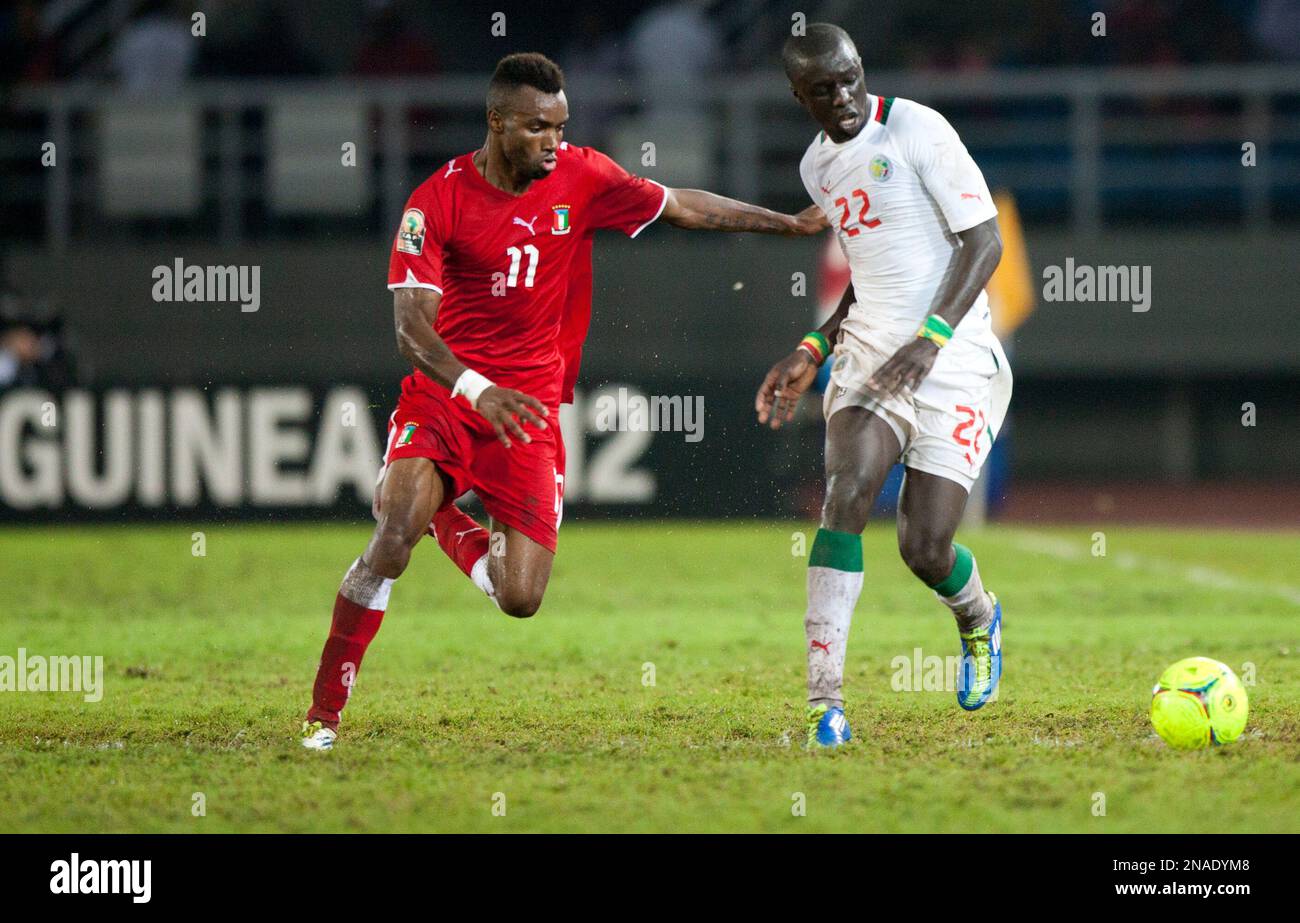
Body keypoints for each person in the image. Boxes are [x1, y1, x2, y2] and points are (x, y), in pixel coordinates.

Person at [302, 52, 825, 750]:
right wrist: (476, 388)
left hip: (528, 410)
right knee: (392, 537)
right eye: (537, 128)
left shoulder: (582, 176)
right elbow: (410, 330)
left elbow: (683, 206)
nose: (553, 141)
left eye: (560, 126)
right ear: (496, 122)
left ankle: (442, 518)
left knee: (519, 598)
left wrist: (787, 224)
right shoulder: (436, 201)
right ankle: (323, 715)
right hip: (447, 398)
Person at [754, 23, 1013, 748]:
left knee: (924, 548)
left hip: (954, 354)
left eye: (849, 79)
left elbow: (985, 241)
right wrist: (814, 346)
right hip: (871, 354)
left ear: (861, 68)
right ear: (799, 96)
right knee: (845, 494)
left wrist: (932, 338)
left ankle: (979, 616)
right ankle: (825, 703)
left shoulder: (919, 129)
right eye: (823, 89)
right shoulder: (817, 167)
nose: (842, 97)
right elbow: (867, 276)